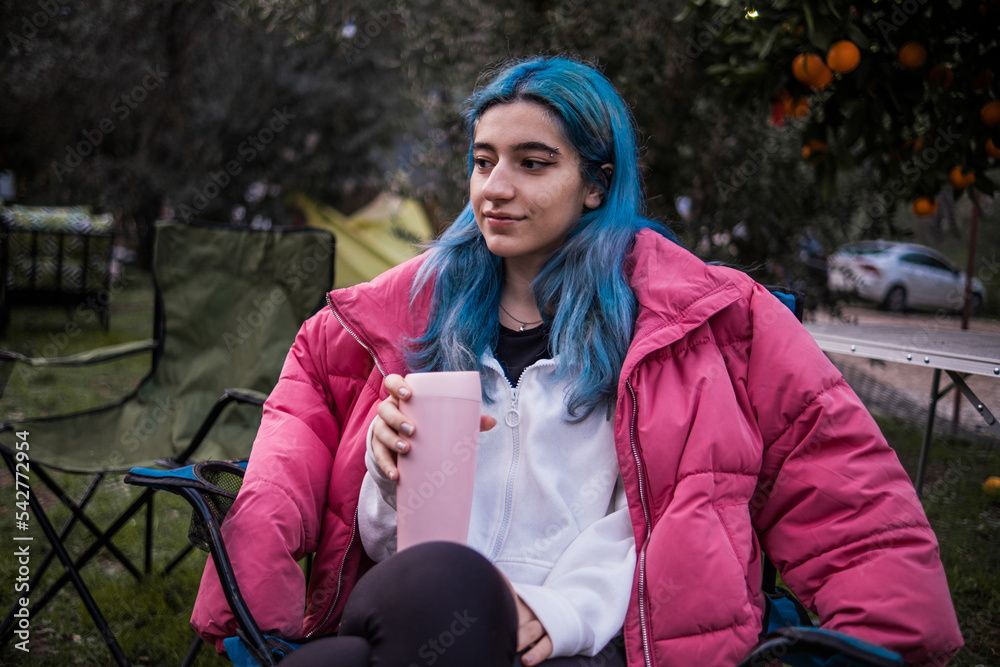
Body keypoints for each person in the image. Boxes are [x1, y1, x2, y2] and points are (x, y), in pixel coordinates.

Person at [191, 56, 964, 666]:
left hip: (587, 637)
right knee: (442, 587)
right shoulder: (418, 321)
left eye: (532, 163)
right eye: (482, 160)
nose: (494, 188)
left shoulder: (684, 330)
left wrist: (555, 616)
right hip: (426, 611)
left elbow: (766, 494)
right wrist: (386, 478)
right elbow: (400, 550)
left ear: (596, 183)